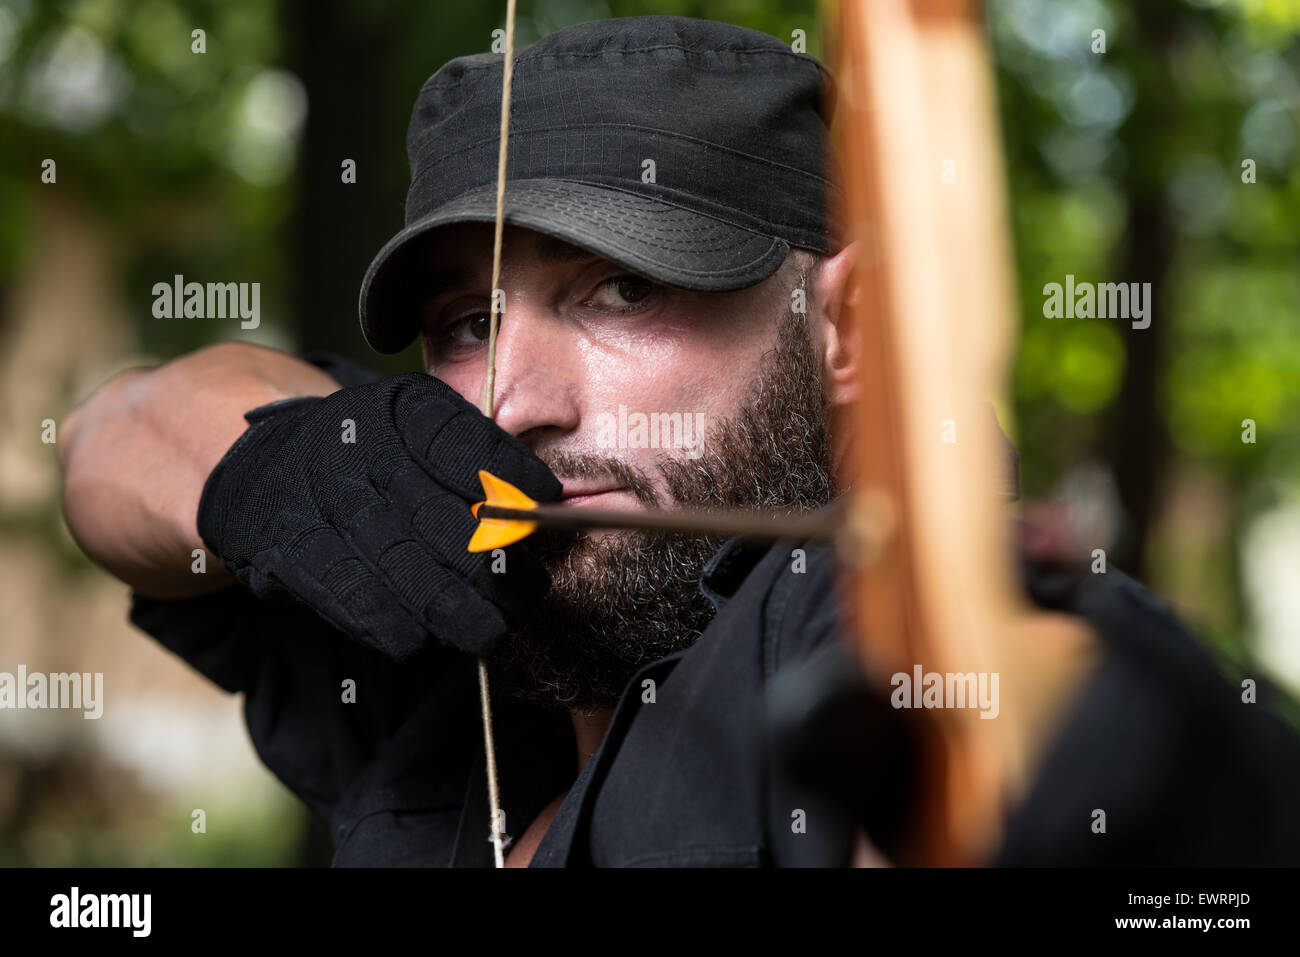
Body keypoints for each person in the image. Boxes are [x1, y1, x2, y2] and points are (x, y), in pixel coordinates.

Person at [59, 16, 1300, 867]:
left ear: (848, 328)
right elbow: (118, 436)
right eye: (466, 321)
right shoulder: (442, 645)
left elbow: (1077, 742)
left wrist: (1069, 713)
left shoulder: (823, 628)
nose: (511, 401)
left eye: (621, 293)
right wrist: (283, 461)